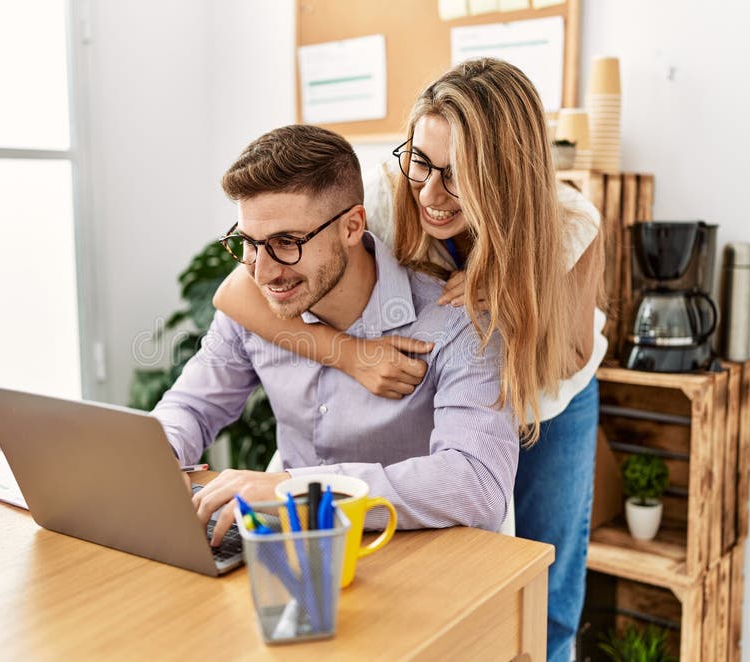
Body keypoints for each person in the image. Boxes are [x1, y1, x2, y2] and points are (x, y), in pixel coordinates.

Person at [212, 59, 604, 662]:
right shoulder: (380, 196)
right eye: (421, 162)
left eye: (461, 176)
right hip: (458, 390)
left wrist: (506, 302)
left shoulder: (571, 224)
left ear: (508, 177)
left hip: (549, 397)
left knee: (545, 578)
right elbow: (234, 294)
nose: (431, 194)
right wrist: (352, 355)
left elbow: (568, 356)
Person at [152, 123, 519, 547]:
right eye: (249, 243)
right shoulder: (257, 307)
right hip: (287, 555)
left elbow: (475, 483)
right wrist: (159, 459)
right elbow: (191, 406)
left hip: (407, 561)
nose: (263, 272)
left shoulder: (457, 322)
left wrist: (302, 490)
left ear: (351, 227)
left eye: (287, 242)